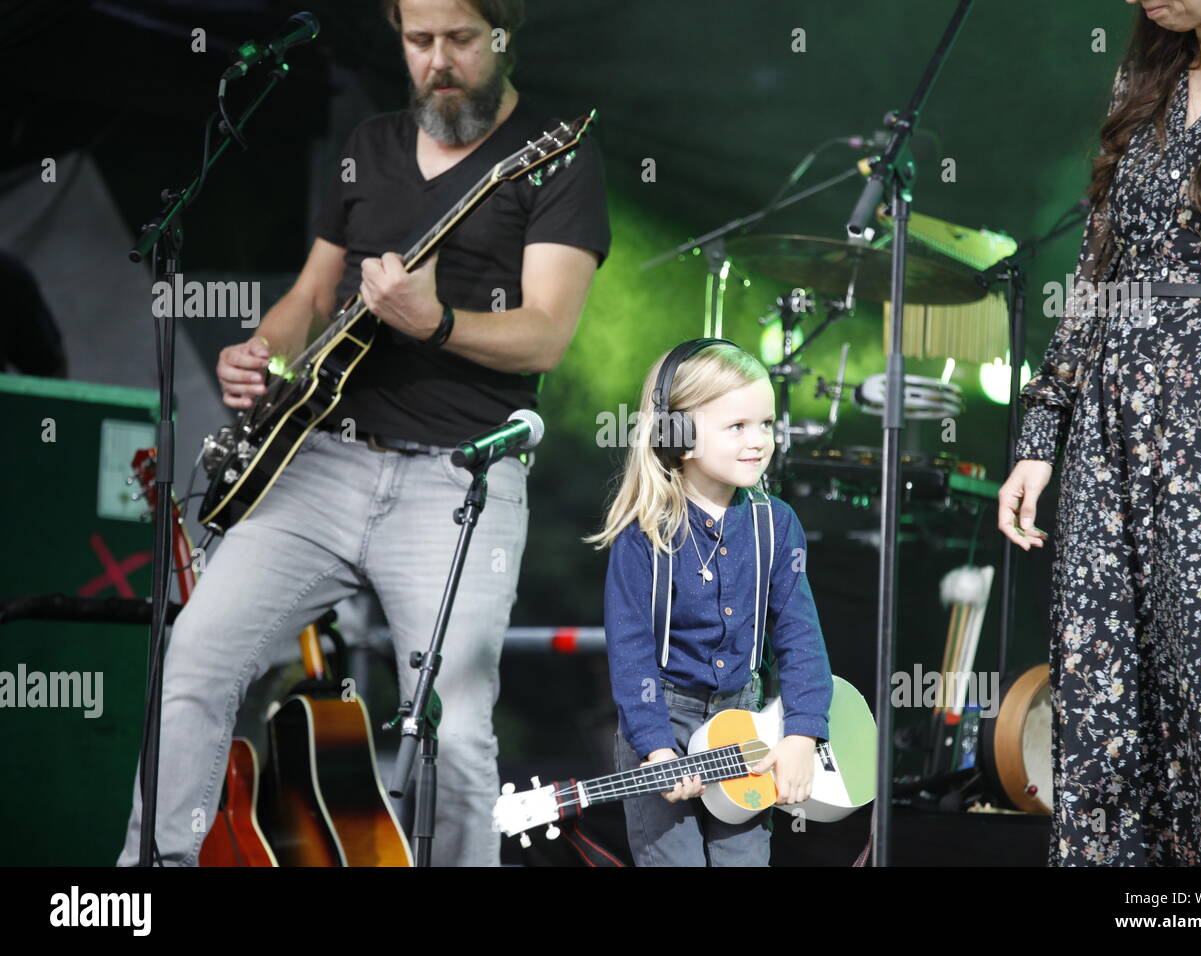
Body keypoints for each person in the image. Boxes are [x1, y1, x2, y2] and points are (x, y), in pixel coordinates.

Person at [116, 0, 610, 866]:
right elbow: (313, 296)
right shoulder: (370, 145)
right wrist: (260, 350)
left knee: (453, 735)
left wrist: (437, 321)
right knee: (193, 658)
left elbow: (547, 333)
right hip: (323, 463)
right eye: (419, 42)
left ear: (504, 33)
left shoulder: (559, 155)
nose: (438, 62)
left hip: (461, 482)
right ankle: (148, 876)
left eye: (460, 39)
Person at [998, 0, 1201, 865]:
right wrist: (1041, 428)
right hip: (1112, 425)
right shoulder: (1143, 78)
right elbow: (1099, 261)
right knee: (1105, 686)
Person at [584, 340, 834, 866]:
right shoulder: (644, 534)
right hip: (662, 721)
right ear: (678, 437)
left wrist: (803, 733)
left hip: (745, 722)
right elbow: (631, 656)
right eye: (737, 427)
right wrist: (656, 748)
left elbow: (799, 636)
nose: (759, 441)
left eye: (766, 424)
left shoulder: (777, 523)